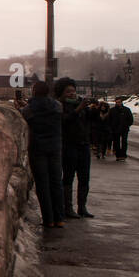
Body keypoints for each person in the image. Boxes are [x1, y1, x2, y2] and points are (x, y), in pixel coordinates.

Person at [22, 80, 65, 229]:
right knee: (56, 183)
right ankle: (59, 218)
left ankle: (48, 220)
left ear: (34, 92)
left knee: (42, 184)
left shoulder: (29, 109)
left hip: (37, 148)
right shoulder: (58, 106)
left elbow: (27, 118)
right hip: (55, 147)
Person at [57, 78, 94, 218]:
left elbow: (91, 120)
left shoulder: (80, 105)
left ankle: (82, 207)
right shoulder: (60, 105)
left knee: (84, 178)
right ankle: (67, 208)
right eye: (68, 91)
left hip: (83, 144)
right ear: (62, 93)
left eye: (73, 91)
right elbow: (64, 121)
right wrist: (78, 109)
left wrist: (91, 108)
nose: (72, 94)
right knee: (68, 177)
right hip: (69, 145)